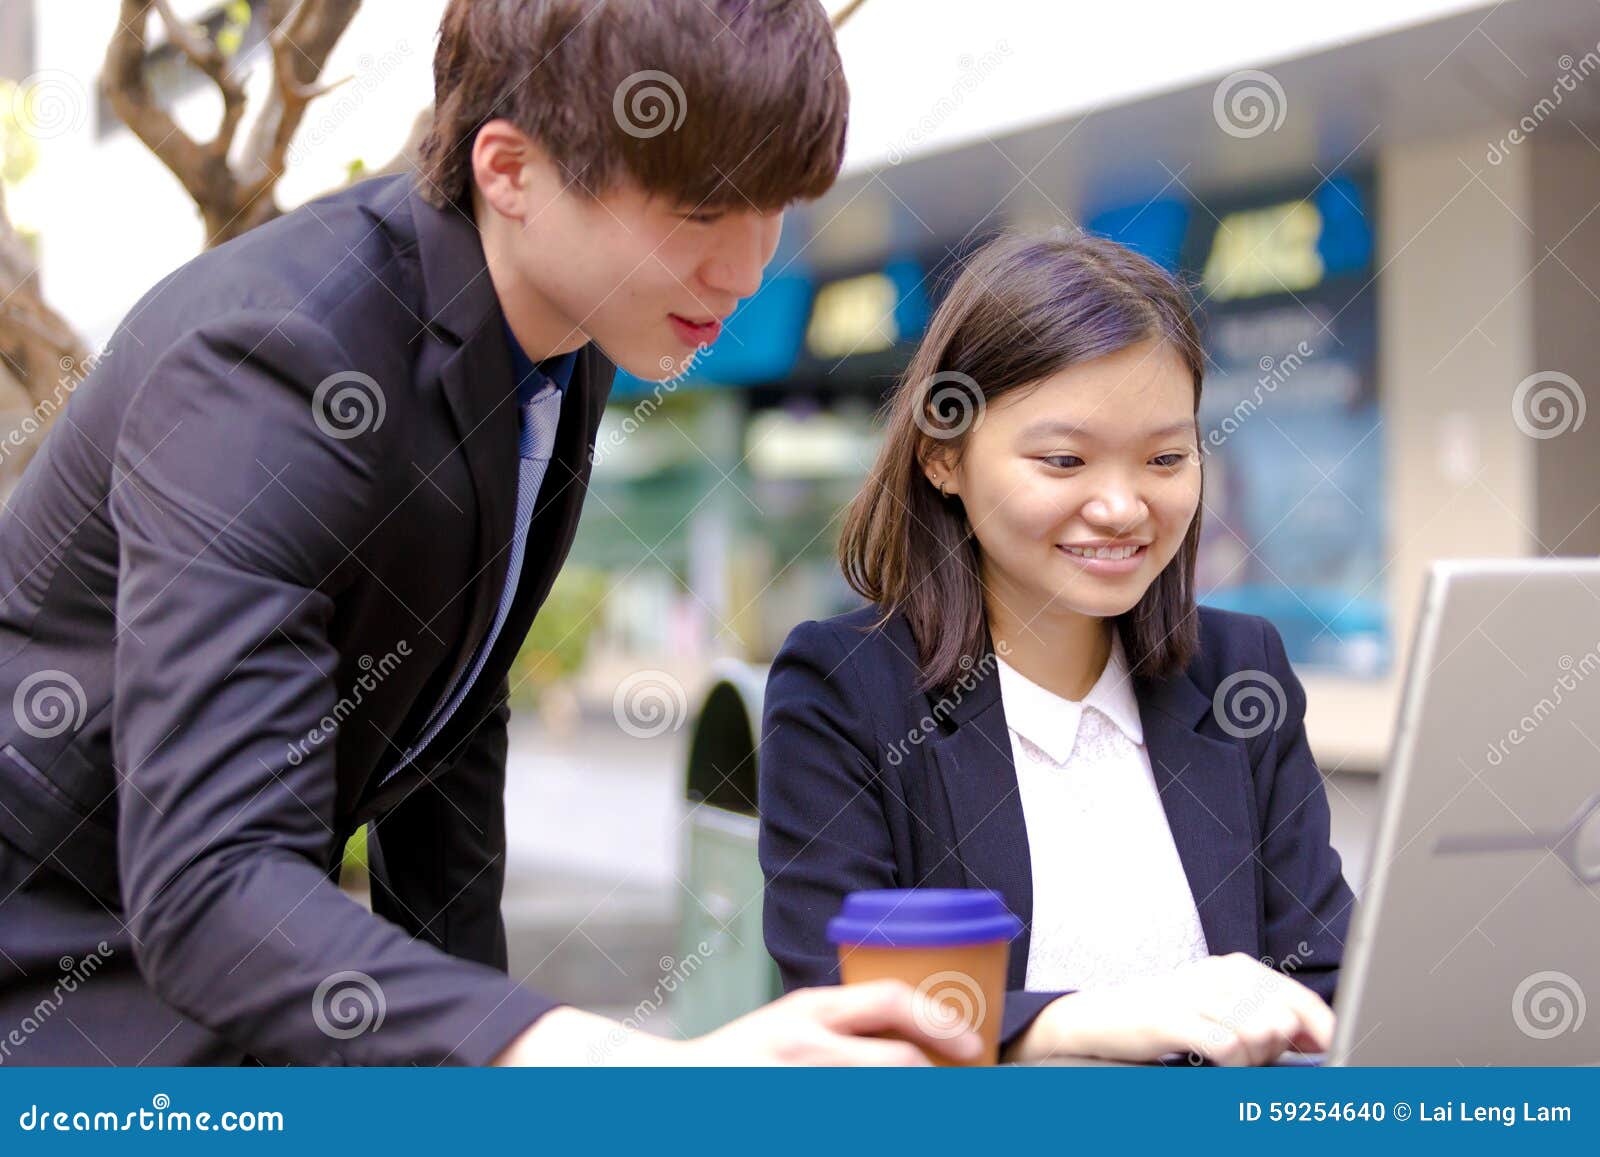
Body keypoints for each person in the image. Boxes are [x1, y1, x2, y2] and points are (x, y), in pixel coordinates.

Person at [0, 0, 981, 1068]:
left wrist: (496, 1067)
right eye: (699, 210)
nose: (745, 269)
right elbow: (210, 882)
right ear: (509, 170)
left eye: (776, 206)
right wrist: (619, 1063)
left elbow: (451, 725)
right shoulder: (272, 360)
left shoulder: (570, 332)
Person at [757, 228, 1355, 1065]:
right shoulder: (845, 689)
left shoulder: (1238, 670)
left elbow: (1326, 978)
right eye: (1065, 459)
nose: (1122, 507)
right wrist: (1082, 1022)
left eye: (1166, 457)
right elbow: (844, 1021)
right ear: (942, 454)